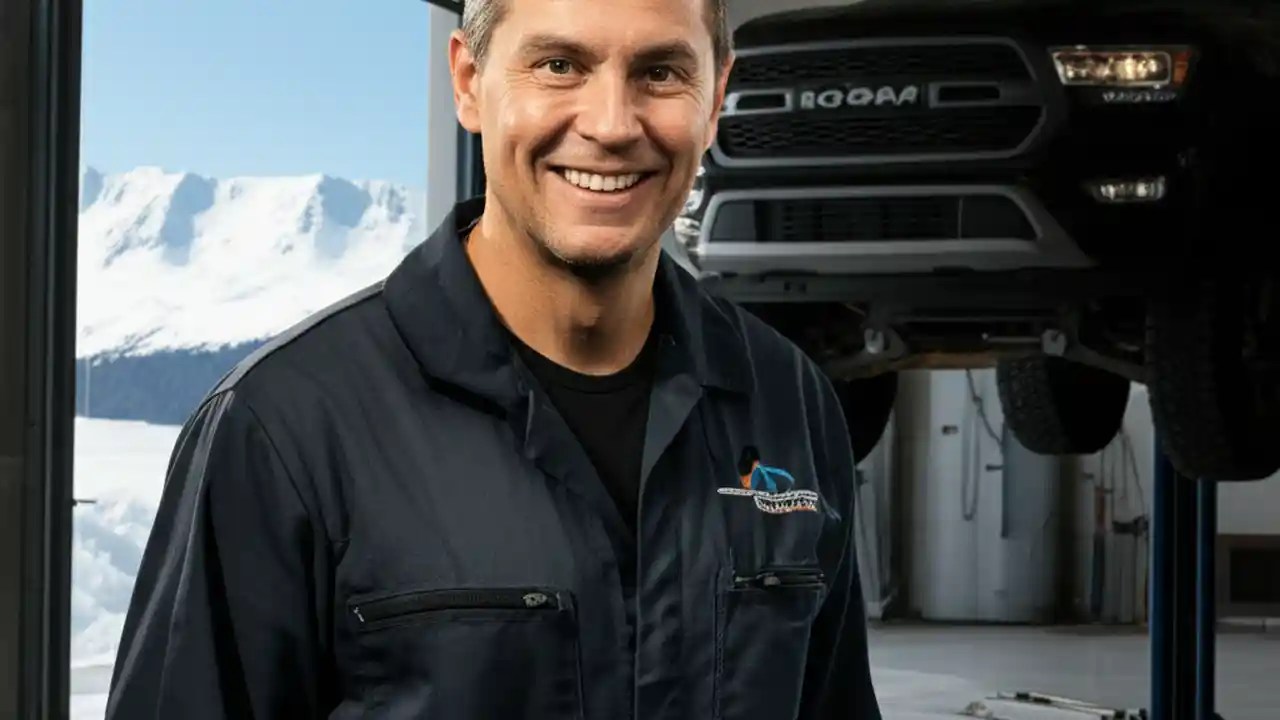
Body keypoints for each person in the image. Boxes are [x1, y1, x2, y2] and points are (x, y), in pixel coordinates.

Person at [105, 0, 883, 717]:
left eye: (661, 73)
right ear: (470, 82)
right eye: (559, 66)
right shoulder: (286, 428)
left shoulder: (788, 401)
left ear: (715, 100)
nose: (612, 124)